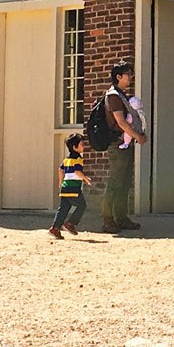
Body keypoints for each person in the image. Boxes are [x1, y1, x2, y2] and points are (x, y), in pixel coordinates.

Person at [100, 60, 147, 234]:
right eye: (128, 73)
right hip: (117, 144)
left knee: (125, 182)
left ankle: (121, 217)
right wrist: (137, 137)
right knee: (115, 182)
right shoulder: (113, 96)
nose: (131, 77)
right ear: (118, 76)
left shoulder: (121, 95)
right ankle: (107, 219)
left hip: (125, 144)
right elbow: (120, 121)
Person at [49, 133, 93, 240]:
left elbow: (60, 170)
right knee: (82, 205)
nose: (84, 146)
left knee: (63, 209)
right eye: (82, 144)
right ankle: (70, 223)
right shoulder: (78, 159)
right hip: (74, 188)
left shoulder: (66, 160)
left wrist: (60, 181)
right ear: (75, 147)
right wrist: (85, 178)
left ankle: (55, 228)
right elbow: (77, 171)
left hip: (65, 187)